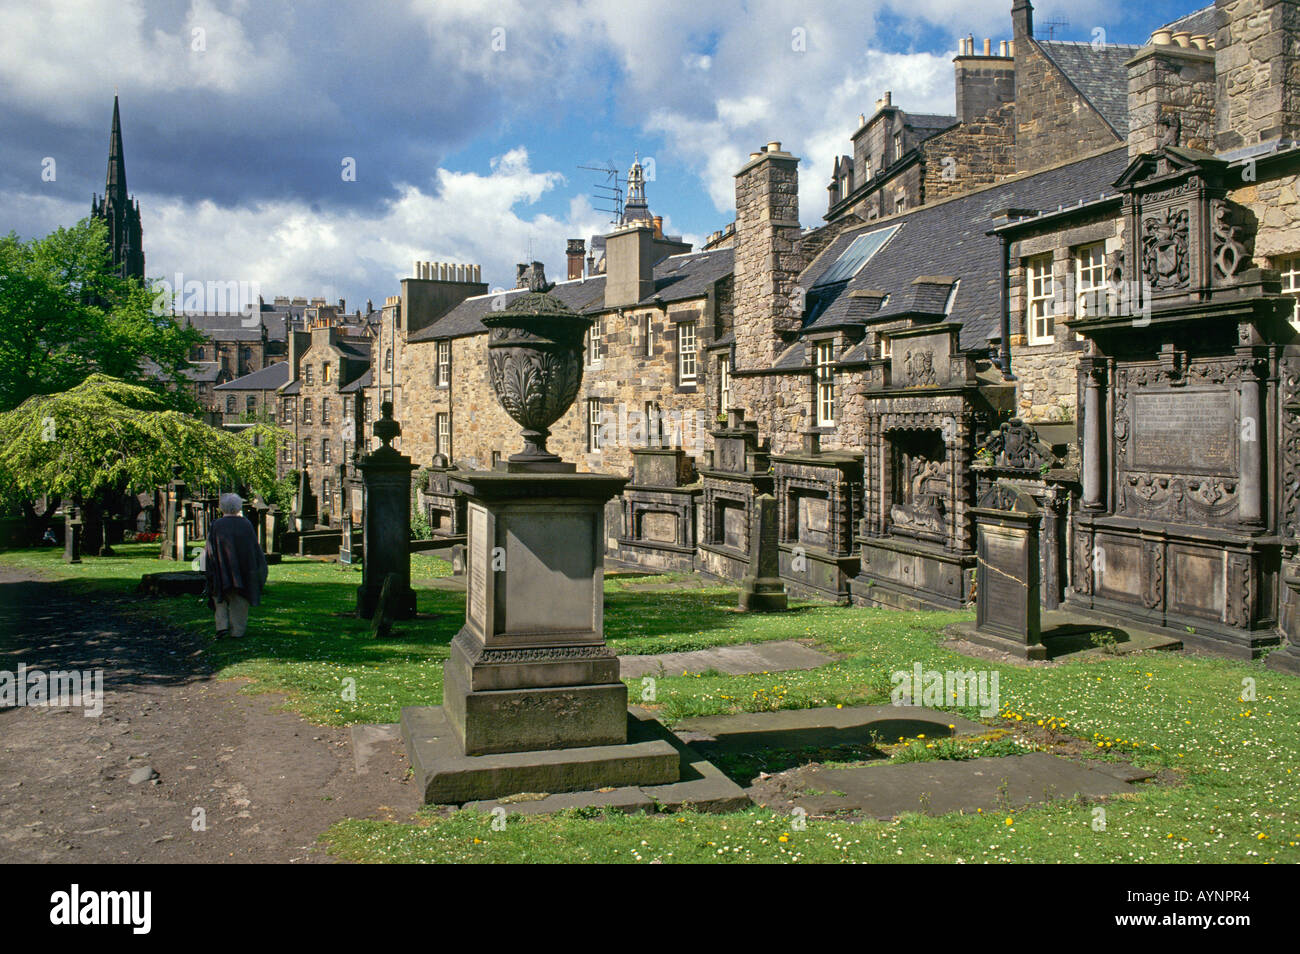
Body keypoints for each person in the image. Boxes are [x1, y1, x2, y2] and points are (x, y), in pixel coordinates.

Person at [203, 493, 268, 639]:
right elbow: (254, 548)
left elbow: (209, 549)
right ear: (238, 506)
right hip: (242, 568)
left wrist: (207, 567)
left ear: (222, 507)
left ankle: (221, 626)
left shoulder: (216, 525)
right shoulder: (246, 524)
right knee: (239, 600)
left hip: (221, 568)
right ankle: (237, 631)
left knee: (219, 597)